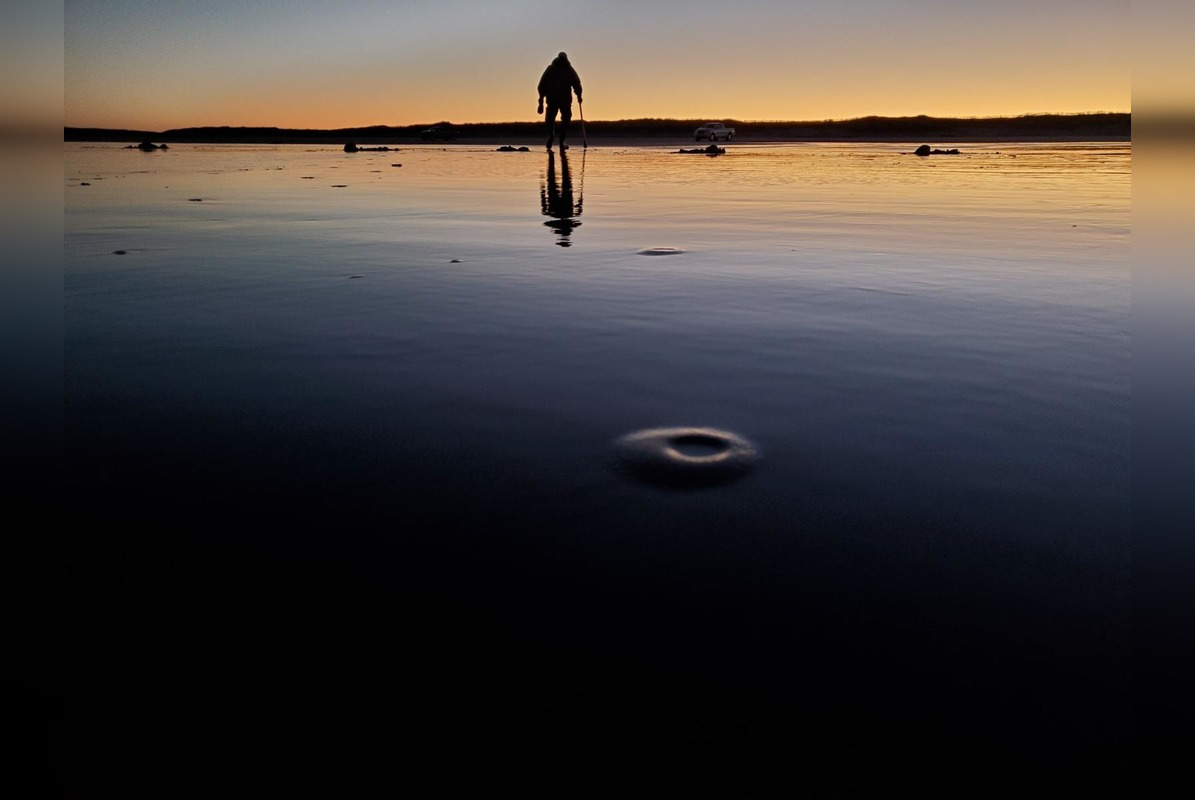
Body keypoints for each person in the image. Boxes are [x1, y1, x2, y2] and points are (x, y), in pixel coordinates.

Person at [537, 52, 582, 150]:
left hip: (554, 99)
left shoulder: (551, 69)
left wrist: (541, 100)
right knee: (564, 120)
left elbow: (541, 85)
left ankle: (554, 137)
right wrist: (579, 95)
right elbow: (577, 83)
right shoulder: (568, 70)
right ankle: (560, 141)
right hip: (564, 100)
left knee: (551, 119)